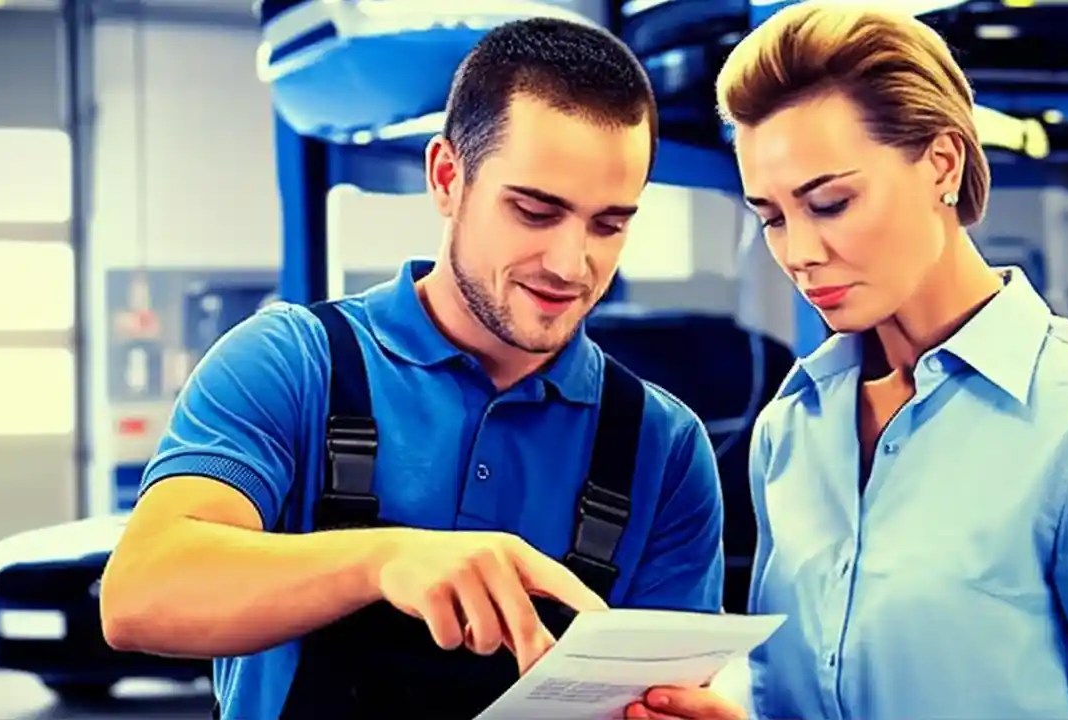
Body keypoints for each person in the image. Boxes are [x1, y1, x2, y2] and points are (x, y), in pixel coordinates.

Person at [98, 17, 745, 720]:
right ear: (446, 177)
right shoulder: (293, 364)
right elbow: (140, 595)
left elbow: (664, 697)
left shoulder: (664, 447)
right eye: (534, 211)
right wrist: (383, 563)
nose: (571, 265)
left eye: (608, 224)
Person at [711, 4, 1068, 719]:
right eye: (772, 217)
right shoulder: (791, 429)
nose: (799, 253)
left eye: (830, 202)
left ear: (941, 164)